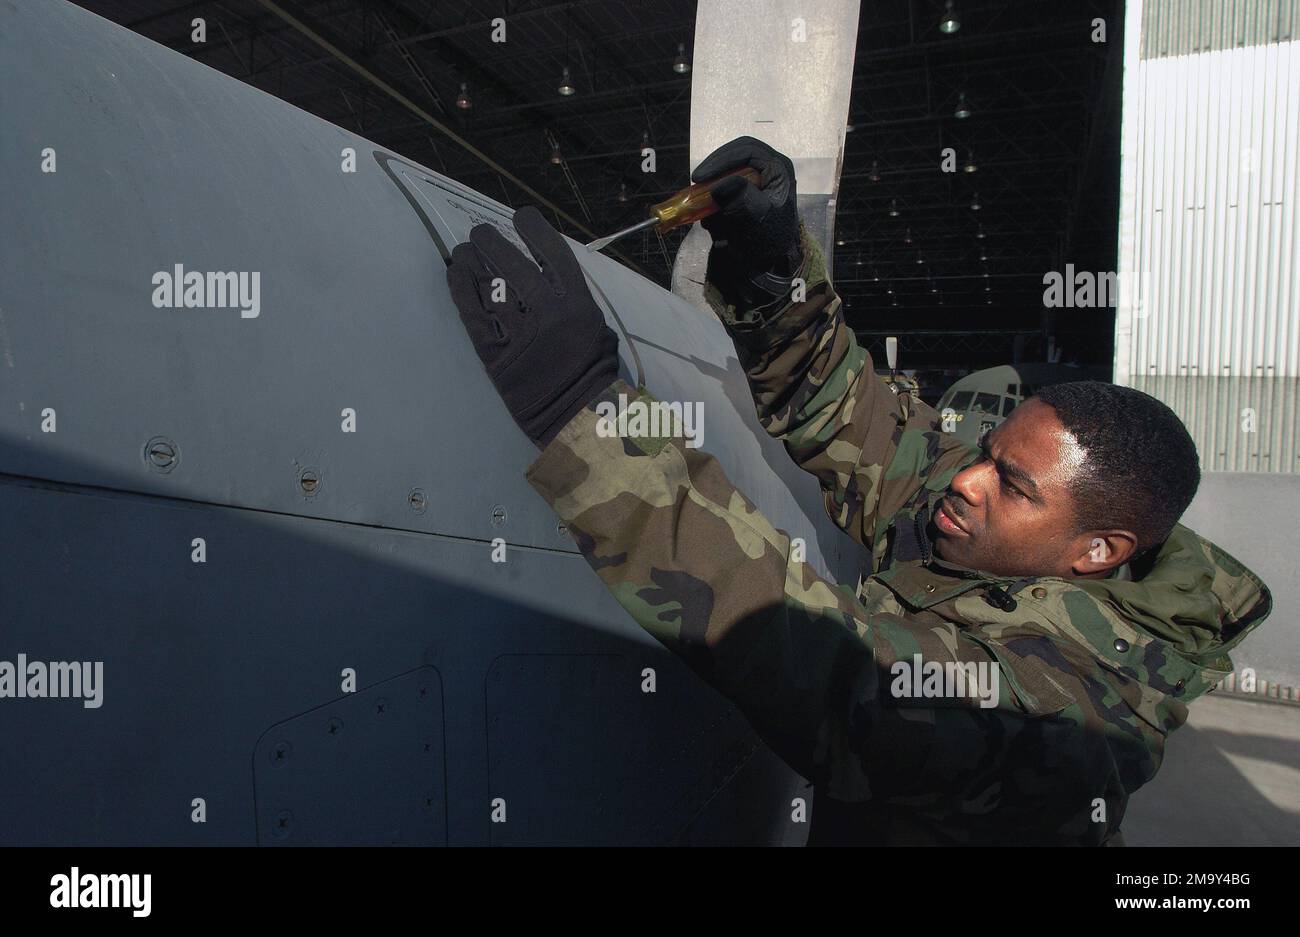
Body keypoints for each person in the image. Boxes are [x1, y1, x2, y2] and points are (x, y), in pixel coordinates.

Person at [444, 136, 1272, 845]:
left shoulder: (1072, 713)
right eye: (985, 450)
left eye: (1012, 483)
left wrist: (587, 417)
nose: (967, 477)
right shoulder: (986, 515)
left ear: (1099, 552)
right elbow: (846, 406)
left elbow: (837, 679)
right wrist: (772, 266)